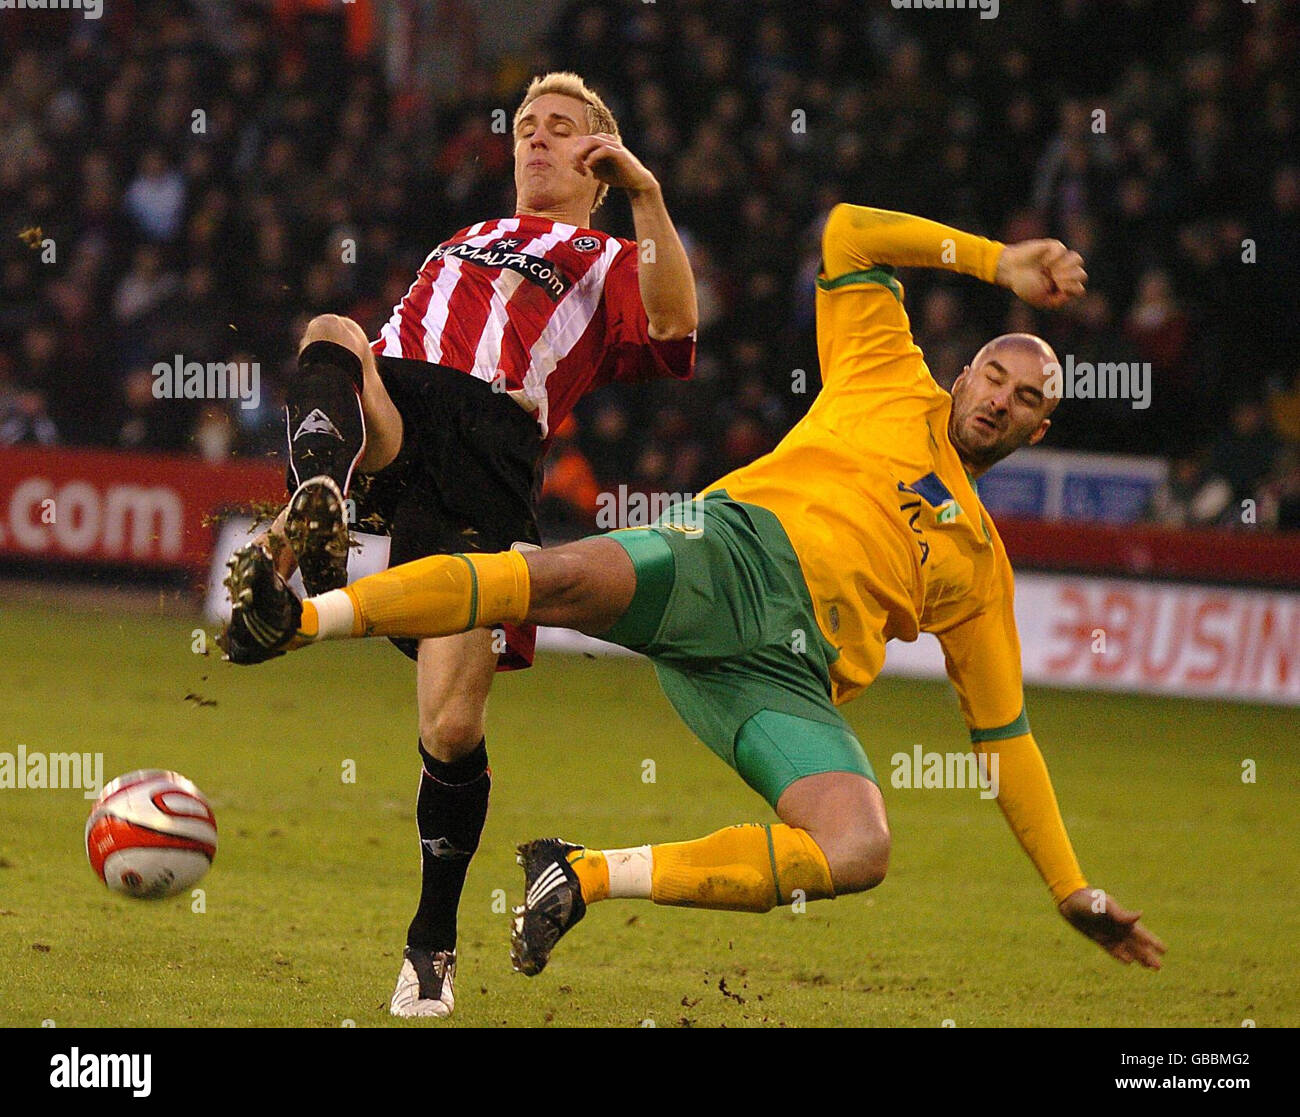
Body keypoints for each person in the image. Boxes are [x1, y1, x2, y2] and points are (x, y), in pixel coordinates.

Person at [225, 204, 1165, 983]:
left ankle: (578, 875)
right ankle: (302, 615)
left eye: (1026, 398)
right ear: (965, 375)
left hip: (785, 680)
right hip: (734, 556)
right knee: (549, 577)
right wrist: (998, 261)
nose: (1000, 398)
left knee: (857, 848)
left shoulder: (981, 569)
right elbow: (846, 234)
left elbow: (1006, 742)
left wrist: (1070, 887)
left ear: (1038, 430)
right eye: (993, 376)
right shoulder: (888, 374)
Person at [223, 71, 697, 1017]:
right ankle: (313, 504)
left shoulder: (604, 254)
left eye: (561, 129)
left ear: (596, 160)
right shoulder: (462, 240)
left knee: (449, 728)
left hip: (491, 448)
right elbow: (388, 347)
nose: (536, 139)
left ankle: (431, 940)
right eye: (527, 125)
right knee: (332, 334)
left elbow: (679, 325)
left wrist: (646, 194)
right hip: (404, 400)